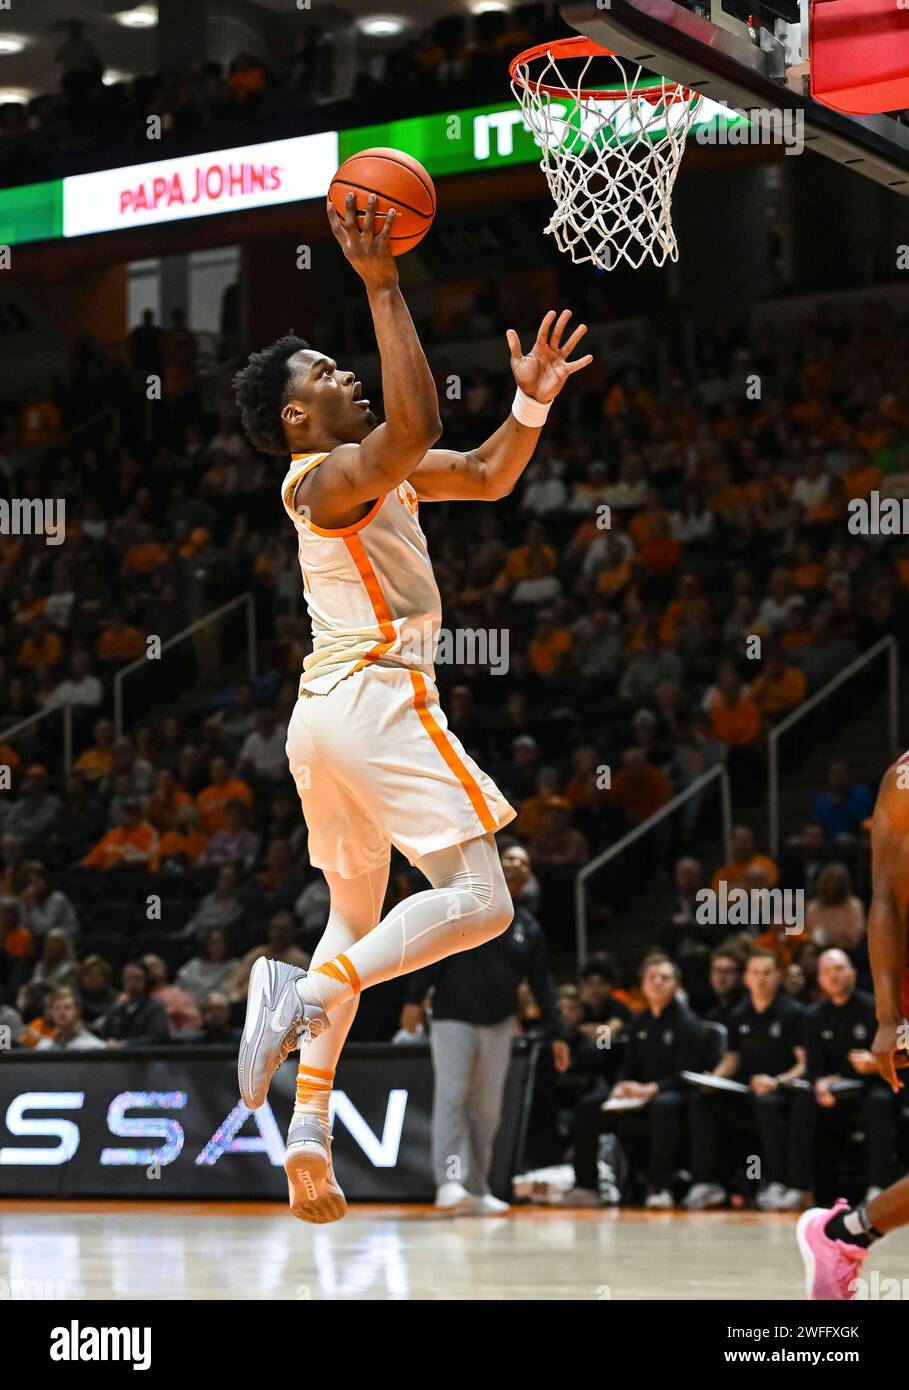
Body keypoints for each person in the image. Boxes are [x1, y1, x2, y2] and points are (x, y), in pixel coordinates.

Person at [232, 188, 592, 1224]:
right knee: (484, 901)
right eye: (323, 374)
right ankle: (295, 994)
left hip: (324, 720)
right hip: (378, 698)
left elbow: (479, 469)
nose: (343, 371)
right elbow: (420, 421)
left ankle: (306, 1125)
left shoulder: (372, 474)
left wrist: (527, 406)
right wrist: (384, 282)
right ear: (298, 417)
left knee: (355, 913)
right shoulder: (323, 478)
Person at [399, 844, 567, 1214]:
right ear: (494, 862)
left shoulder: (527, 925)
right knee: (453, 1096)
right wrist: (414, 997)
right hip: (452, 1016)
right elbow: (435, 949)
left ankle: (477, 1187)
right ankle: (449, 1181)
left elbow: (543, 983)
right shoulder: (468, 904)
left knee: (488, 1108)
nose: (515, 865)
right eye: (509, 857)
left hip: (500, 1022)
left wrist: (557, 1033)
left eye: (524, 861)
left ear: (529, 875)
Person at [796, 754, 909, 1299]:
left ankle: (843, 1233)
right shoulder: (904, 781)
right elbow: (885, 895)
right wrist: (889, 1016)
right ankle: (841, 1233)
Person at [568, 955, 708, 1209]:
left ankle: (659, 1186)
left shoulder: (688, 1023)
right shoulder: (640, 1021)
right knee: (589, 1105)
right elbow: (628, 1066)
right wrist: (621, 1086)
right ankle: (585, 1185)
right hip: (641, 1093)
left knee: (662, 1106)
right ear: (642, 985)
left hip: (675, 1092)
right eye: (651, 978)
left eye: (664, 978)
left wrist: (652, 1088)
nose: (657, 982)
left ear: (676, 984)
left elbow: (688, 1073)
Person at [687, 948, 805, 1212]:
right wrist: (713, 1078)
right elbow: (733, 1058)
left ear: (778, 976)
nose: (761, 979)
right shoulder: (739, 1014)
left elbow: (803, 1063)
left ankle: (777, 1182)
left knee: (766, 1104)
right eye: (755, 973)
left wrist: (777, 1080)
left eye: (767, 973)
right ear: (746, 978)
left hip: (781, 1090)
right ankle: (707, 1182)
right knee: (702, 1101)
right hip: (744, 1088)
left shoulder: (793, 1013)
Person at [789, 948, 892, 1207]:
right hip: (835, 1092)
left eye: (838, 969)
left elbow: (898, 1056)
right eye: (825, 971)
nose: (832, 976)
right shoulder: (813, 1015)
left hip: (872, 1085)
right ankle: (800, 1187)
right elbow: (813, 1067)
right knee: (803, 1101)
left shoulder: (875, 1009)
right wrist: (820, 1082)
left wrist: (875, 1063)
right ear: (819, 979)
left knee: (878, 1102)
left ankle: (878, 1186)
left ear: (853, 973)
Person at [35, 989, 105, 1052]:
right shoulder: (43, 1047)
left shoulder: (94, 1047)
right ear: (51, 1013)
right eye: (57, 1008)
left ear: (78, 1011)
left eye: (67, 1007)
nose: (61, 1013)